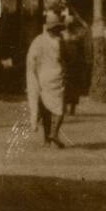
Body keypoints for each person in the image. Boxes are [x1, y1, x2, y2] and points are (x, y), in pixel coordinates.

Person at [26, 9, 67, 148]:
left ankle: (46, 139)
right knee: (60, 108)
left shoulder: (38, 40)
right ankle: (54, 133)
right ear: (56, 28)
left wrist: (34, 74)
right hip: (56, 75)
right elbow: (62, 58)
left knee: (46, 109)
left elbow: (31, 59)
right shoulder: (59, 41)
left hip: (43, 77)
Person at [60, 10, 88, 116]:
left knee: (74, 87)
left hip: (75, 65)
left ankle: (72, 108)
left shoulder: (77, 35)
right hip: (65, 63)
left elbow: (86, 28)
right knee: (64, 86)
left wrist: (78, 17)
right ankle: (64, 108)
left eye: (71, 24)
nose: (70, 26)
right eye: (68, 24)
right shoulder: (62, 35)